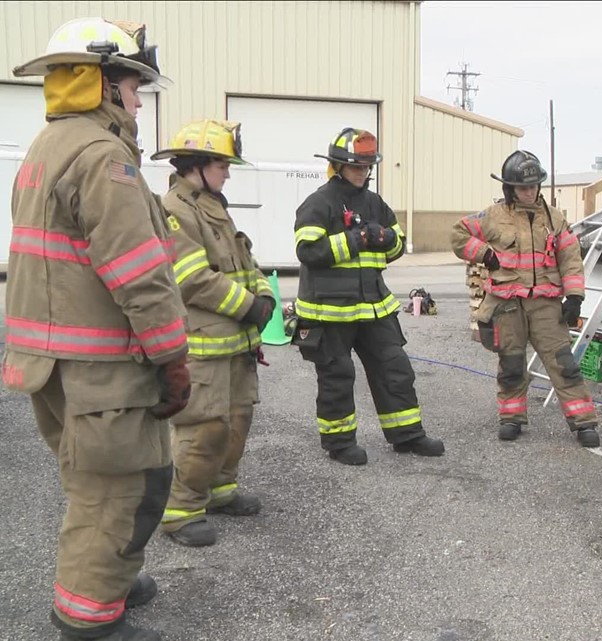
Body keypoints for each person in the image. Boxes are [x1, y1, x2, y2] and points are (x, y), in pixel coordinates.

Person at [2, 18, 189, 640]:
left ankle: (111, 579)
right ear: (103, 83)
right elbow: (138, 274)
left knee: (98, 483)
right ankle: (88, 620)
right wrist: (173, 356)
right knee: (115, 492)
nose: (139, 101)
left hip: (51, 364)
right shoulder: (104, 157)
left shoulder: (45, 147)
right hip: (101, 371)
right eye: (134, 87)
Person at [151, 120, 273, 547]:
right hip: (204, 344)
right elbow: (191, 278)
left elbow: (245, 261)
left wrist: (264, 293)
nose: (228, 174)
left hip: (235, 343)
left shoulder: (212, 205)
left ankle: (221, 490)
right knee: (203, 427)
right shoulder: (174, 210)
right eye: (223, 165)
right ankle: (181, 510)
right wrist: (249, 306)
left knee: (237, 420)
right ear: (197, 165)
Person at [293, 127, 445, 465]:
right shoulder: (319, 203)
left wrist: (385, 238)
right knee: (337, 377)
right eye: (356, 166)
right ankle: (340, 443)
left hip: (373, 307)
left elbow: (397, 246)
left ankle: (407, 435)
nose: (362, 172)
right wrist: (356, 240)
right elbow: (308, 250)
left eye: (366, 166)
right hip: (330, 312)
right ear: (338, 165)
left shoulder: (375, 203)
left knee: (395, 369)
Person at [450, 150, 601, 447]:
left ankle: (584, 422)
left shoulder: (555, 219)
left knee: (564, 364)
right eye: (522, 187)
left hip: (546, 305)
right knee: (511, 364)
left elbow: (571, 259)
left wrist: (574, 297)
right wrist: (485, 254)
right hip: (507, 305)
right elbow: (458, 235)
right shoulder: (493, 216)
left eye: (532, 186)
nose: (529, 192)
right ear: (510, 188)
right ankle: (511, 418)